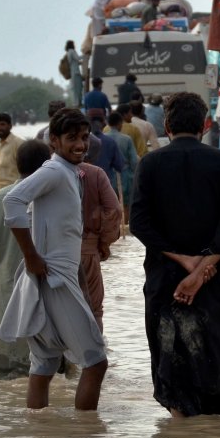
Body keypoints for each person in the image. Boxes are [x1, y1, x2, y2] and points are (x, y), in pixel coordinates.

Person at [130, 92, 220, 417]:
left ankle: (181, 437)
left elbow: (138, 223)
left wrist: (186, 262)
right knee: (215, 356)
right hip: (217, 277)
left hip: (166, 276)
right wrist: (203, 267)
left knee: (170, 357)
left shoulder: (150, 163)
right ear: (205, 125)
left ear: (166, 125)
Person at [0, 108, 109, 410]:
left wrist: (82, 286)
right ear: (54, 142)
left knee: (45, 363)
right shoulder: (55, 171)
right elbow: (12, 201)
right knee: (95, 361)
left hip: (56, 276)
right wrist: (31, 256)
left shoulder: (69, 173)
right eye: (72, 138)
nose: (80, 145)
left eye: (84, 137)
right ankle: (86, 434)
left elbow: (64, 234)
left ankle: (41, 433)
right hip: (54, 278)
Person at [0, 140, 51, 379]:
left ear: (16, 163)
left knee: (6, 374)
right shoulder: (52, 199)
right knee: (50, 368)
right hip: (47, 286)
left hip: (6, 285)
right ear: (47, 165)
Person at [78, 140, 123, 333]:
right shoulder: (95, 173)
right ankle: (94, 351)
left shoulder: (46, 172)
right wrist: (104, 243)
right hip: (88, 251)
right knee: (93, 310)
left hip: (54, 253)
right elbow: (114, 211)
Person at [105, 111, 139, 204]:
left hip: (108, 176)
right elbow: (134, 161)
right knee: (126, 204)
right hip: (125, 174)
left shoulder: (103, 139)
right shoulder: (126, 139)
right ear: (120, 123)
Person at [0, 112, 23, 190]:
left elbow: (27, 170)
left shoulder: (18, 143)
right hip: (0, 190)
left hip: (13, 190)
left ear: (10, 126)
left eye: (2, 124)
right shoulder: (1, 144)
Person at [65, 41, 84, 107]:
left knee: (76, 89)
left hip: (73, 73)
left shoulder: (68, 52)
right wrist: (85, 55)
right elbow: (77, 58)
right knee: (78, 88)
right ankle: (78, 103)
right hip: (76, 73)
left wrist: (80, 63)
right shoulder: (72, 51)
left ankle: (77, 103)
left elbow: (74, 62)